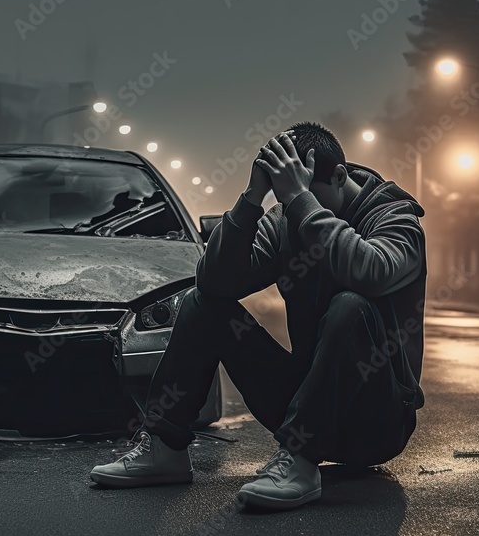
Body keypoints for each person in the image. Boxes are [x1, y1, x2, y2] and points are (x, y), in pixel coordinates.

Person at [89, 122, 427, 511]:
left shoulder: (395, 217)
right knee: (202, 303)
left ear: (339, 175)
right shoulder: (285, 218)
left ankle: (299, 462)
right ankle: (164, 449)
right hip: (301, 404)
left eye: (306, 196)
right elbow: (215, 282)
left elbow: (372, 270)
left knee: (351, 304)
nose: (296, 210)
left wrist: (301, 200)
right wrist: (252, 199)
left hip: (376, 421)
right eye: (288, 199)